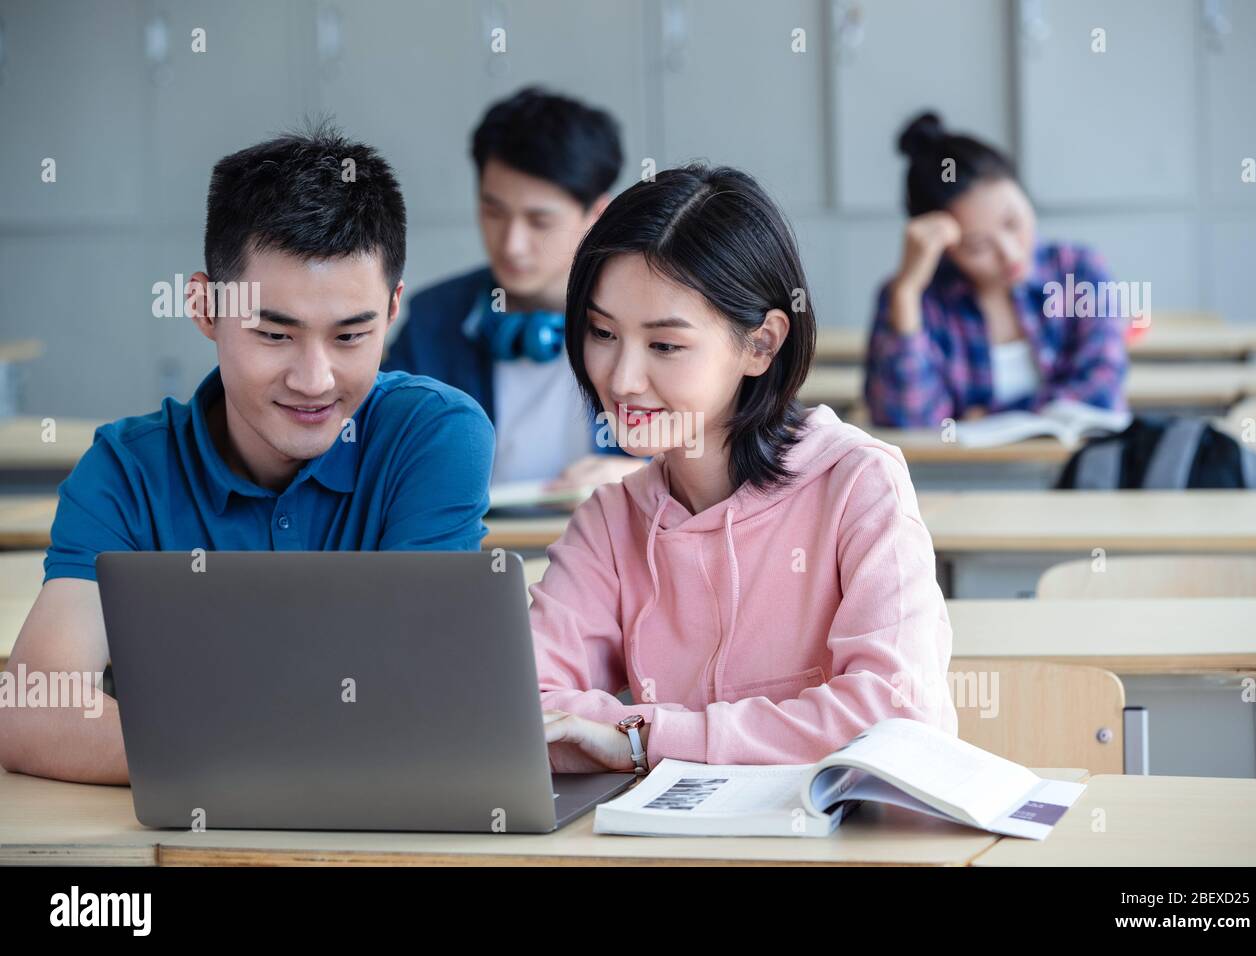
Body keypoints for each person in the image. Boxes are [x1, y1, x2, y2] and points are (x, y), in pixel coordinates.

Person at [0, 124, 494, 785]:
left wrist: (198, 742)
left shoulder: (436, 436)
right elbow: (35, 709)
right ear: (204, 307)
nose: (314, 379)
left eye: (352, 335)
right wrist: (277, 752)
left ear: (393, 311)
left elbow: (406, 694)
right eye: (273, 334)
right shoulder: (125, 471)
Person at [531, 164, 957, 773]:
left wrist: (640, 738)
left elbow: (888, 717)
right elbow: (526, 711)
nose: (621, 379)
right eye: (602, 332)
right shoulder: (610, 520)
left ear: (761, 344)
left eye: (665, 345)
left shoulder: (858, 485)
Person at [382, 87, 644, 491]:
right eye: (493, 212)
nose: (511, 245)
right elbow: (379, 457)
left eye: (539, 221)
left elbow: (727, 451)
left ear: (597, 213)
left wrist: (646, 478)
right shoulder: (435, 320)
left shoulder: (650, 319)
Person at [866, 111, 1129, 428]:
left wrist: (985, 418)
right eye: (978, 247)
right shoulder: (913, 300)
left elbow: (1102, 389)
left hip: (1078, 473)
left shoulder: (1079, 269)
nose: (1010, 252)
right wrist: (906, 293)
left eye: (1012, 222)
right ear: (944, 249)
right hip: (962, 477)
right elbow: (908, 420)